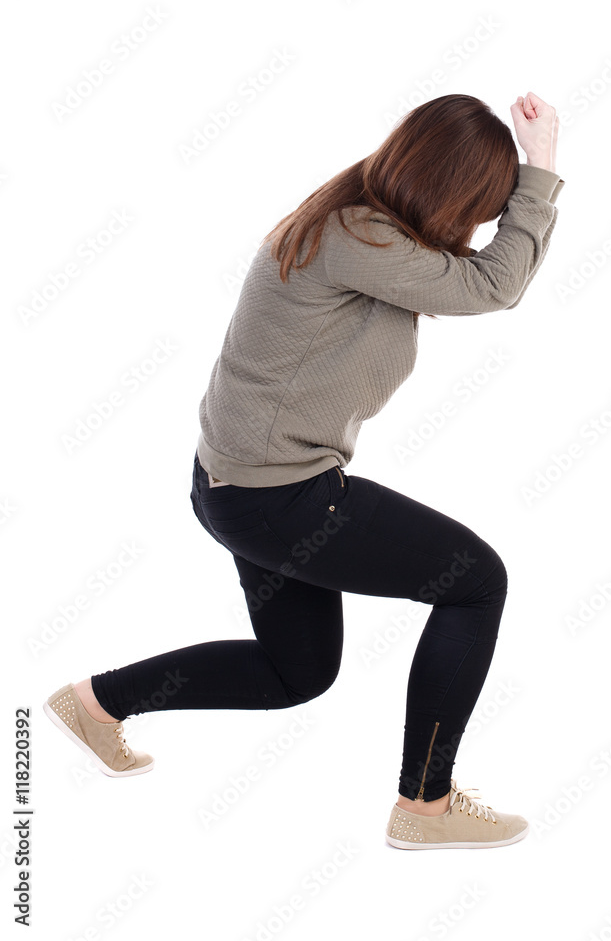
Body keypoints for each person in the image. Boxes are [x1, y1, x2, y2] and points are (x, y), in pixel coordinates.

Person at [45, 91, 564, 850]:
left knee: (296, 674)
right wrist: (541, 168)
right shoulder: (360, 237)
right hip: (279, 500)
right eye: (481, 209)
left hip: (237, 490)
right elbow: (494, 285)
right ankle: (425, 806)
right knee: (476, 580)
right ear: (450, 190)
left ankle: (94, 705)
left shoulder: (352, 215)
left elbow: (476, 274)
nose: (480, 227)